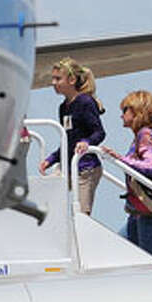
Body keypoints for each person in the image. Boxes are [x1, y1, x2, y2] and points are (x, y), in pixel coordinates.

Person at [103, 90, 152, 261]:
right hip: (139, 213)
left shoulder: (145, 135)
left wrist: (122, 159)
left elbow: (151, 165)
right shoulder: (140, 137)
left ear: (138, 111)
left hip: (151, 216)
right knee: (124, 255)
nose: (121, 115)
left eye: (125, 110)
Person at [38, 57, 106, 215]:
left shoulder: (85, 102)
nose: (53, 83)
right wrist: (51, 159)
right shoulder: (63, 107)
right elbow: (67, 140)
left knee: (81, 214)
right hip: (69, 166)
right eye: (53, 79)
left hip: (86, 168)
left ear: (72, 80)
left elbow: (99, 132)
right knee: (47, 196)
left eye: (58, 79)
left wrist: (86, 143)